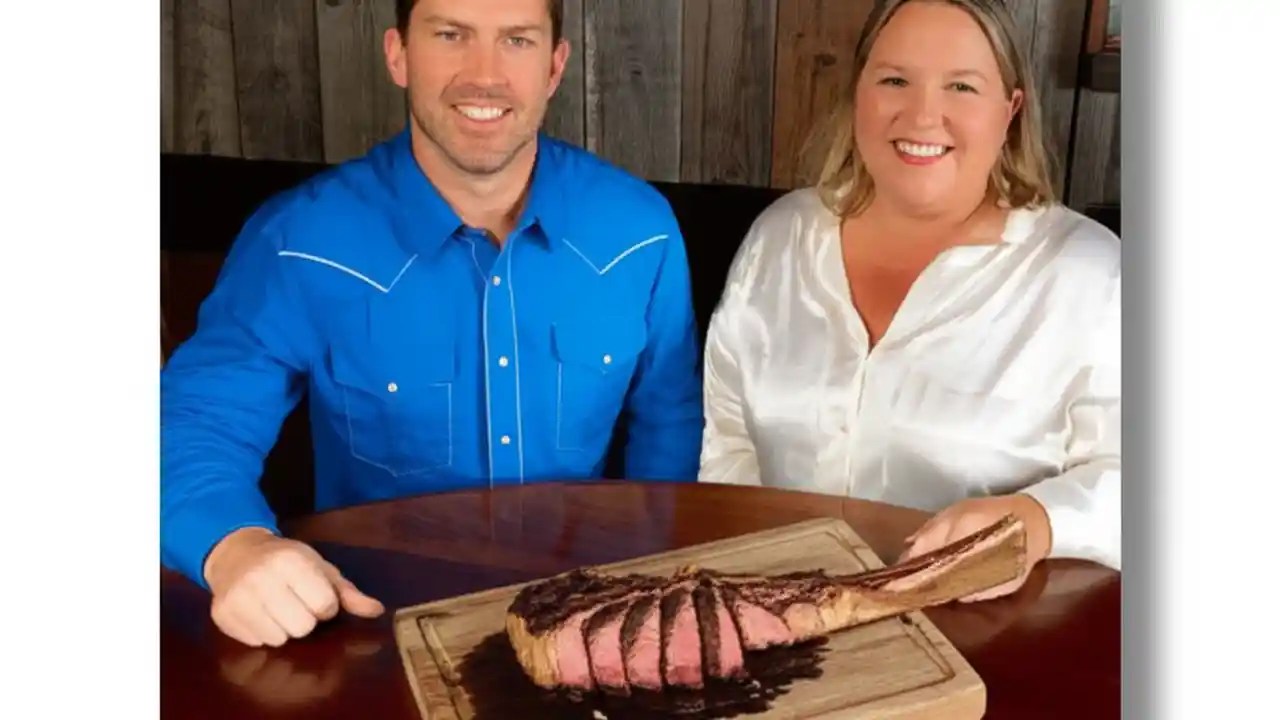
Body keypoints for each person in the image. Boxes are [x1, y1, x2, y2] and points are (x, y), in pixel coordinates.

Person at [160, 0, 703, 647]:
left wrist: (647, 596)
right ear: (398, 54)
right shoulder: (299, 241)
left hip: (588, 630)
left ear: (555, 67)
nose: (486, 73)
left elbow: (669, 424)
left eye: (518, 41)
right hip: (373, 630)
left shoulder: (640, 232)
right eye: (451, 35)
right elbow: (195, 423)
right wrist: (234, 546)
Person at [697, 0, 1120, 600]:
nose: (924, 115)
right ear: (859, 94)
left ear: (1011, 111)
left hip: (993, 646)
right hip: (777, 624)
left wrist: (1034, 520)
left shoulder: (1090, 272)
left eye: (962, 87)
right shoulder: (780, 236)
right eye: (895, 80)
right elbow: (730, 438)